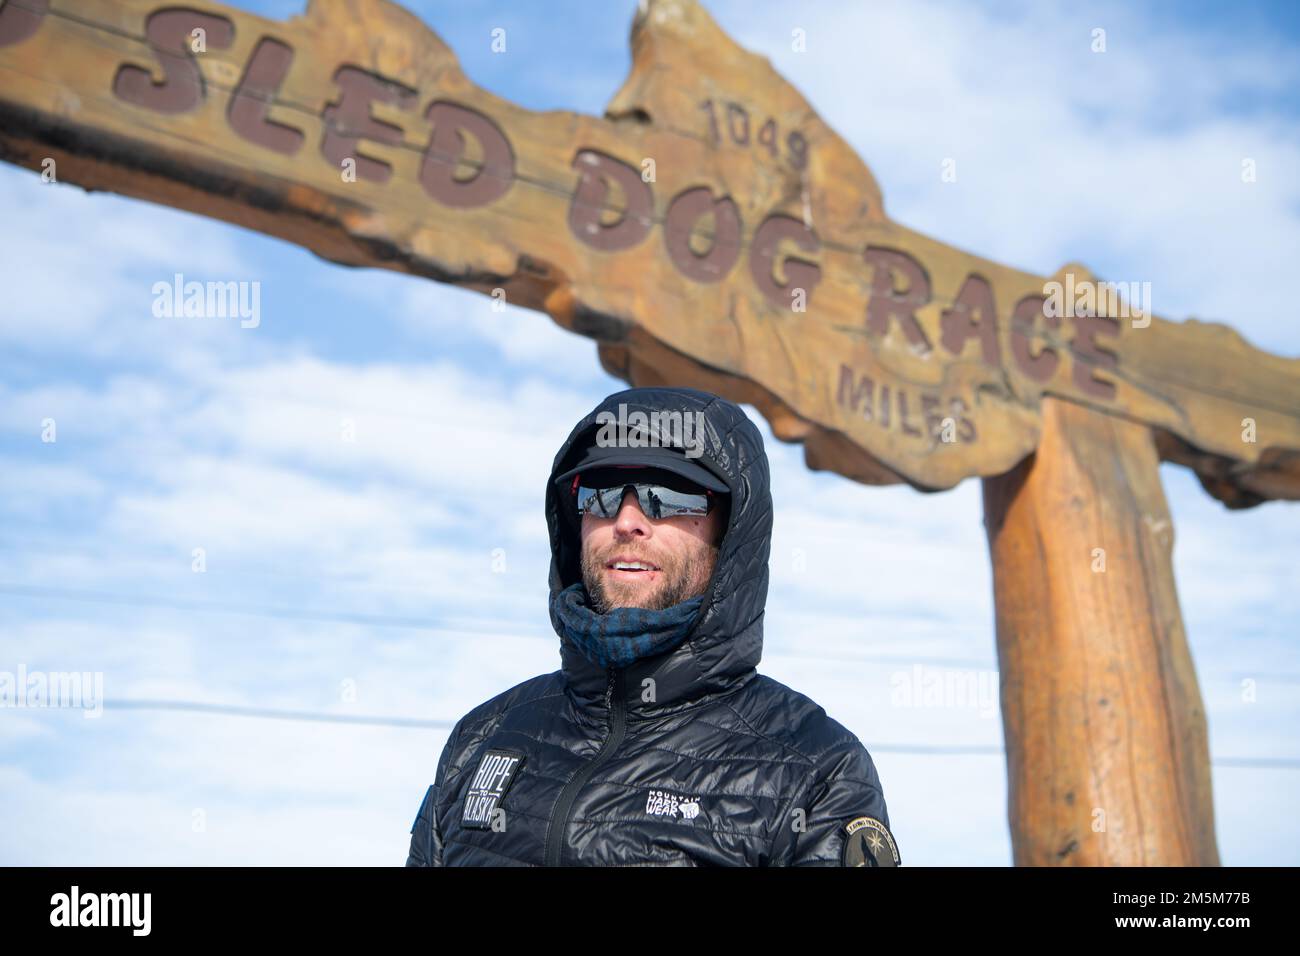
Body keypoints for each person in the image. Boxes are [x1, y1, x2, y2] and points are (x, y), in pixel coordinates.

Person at [405, 385, 899, 866]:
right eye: (598, 494)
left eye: (668, 494)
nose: (626, 521)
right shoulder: (482, 738)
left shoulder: (816, 769)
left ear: (731, 531)